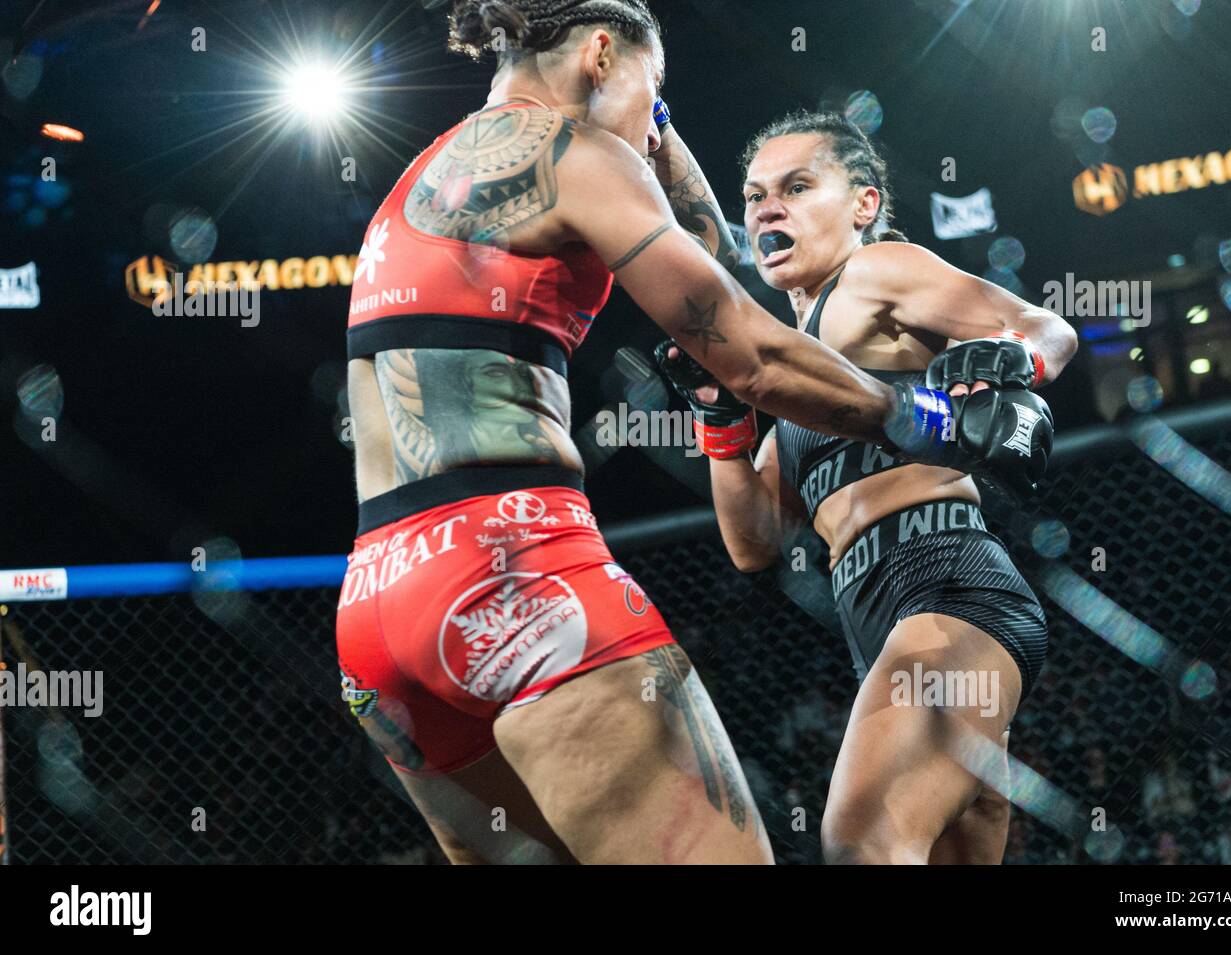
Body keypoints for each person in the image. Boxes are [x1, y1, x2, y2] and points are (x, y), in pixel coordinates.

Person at [335, 2, 1040, 864]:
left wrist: (649, 115)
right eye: (654, 93)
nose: (653, 126)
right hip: (515, 574)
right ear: (601, 54)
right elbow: (752, 354)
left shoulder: (410, 187)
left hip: (377, 614)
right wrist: (919, 418)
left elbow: (718, 256)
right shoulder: (575, 153)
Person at [658, 109, 1074, 863]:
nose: (767, 208)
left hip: (950, 590)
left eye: (796, 186)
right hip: (875, 625)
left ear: (864, 205)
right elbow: (754, 544)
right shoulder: (797, 374)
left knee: (861, 843)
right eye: (753, 196)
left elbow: (1044, 326)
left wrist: (1014, 368)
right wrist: (719, 417)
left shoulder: (877, 271)